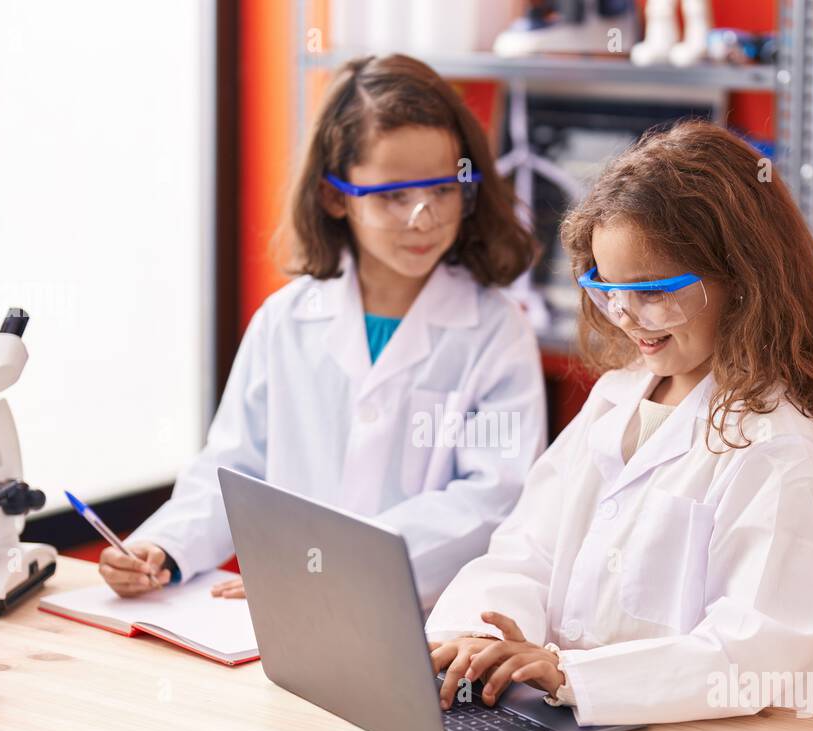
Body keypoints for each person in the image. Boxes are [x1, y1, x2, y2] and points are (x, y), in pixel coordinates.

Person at [426, 121, 813, 726]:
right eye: (608, 289)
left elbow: (755, 653)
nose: (627, 316)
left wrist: (573, 674)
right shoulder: (616, 398)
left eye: (654, 292)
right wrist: (477, 634)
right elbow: (525, 552)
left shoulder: (778, 452)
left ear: (743, 283)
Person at [99, 54, 546, 606]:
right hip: (293, 610)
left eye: (444, 189)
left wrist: (338, 560)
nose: (424, 218)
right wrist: (165, 547)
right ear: (336, 196)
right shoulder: (286, 321)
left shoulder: (496, 332)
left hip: (424, 619)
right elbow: (234, 467)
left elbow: (492, 499)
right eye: (393, 197)